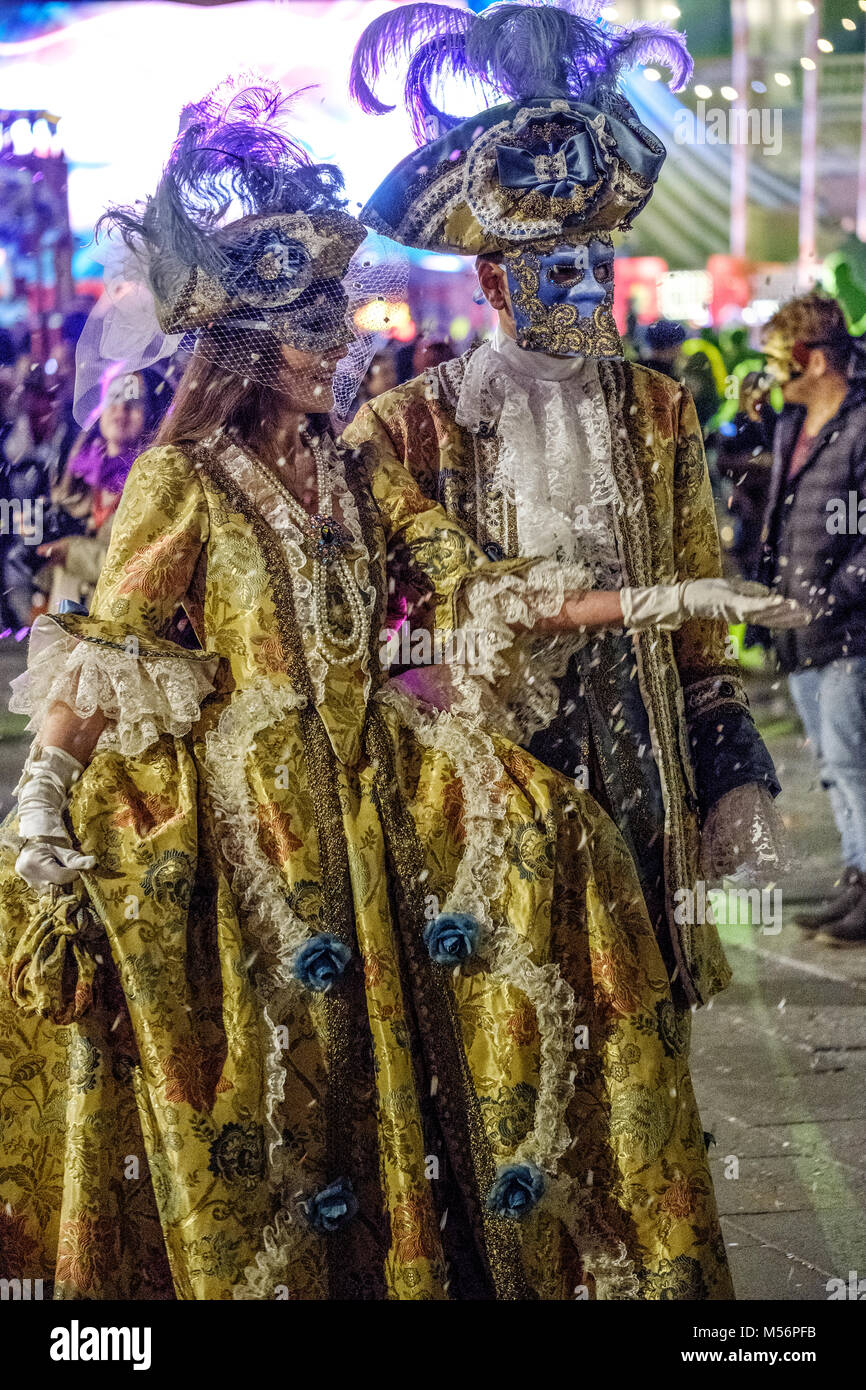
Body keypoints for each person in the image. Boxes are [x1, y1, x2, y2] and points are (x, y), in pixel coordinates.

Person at [0, 80, 801, 1303]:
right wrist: (44, 795)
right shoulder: (195, 473)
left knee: (548, 867)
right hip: (245, 816)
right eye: (316, 336)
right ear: (249, 349)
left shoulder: (368, 459)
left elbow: (473, 583)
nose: (343, 349)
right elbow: (109, 646)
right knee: (277, 1082)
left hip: (376, 790)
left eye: (343, 329)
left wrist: (666, 605)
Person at [345, 0, 788, 1012]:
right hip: (482, 784)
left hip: (635, 777)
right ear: (495, 284)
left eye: (599, 265)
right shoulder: (408, 425)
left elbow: (696, 621)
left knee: (633, 1033)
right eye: (559, 269)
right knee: (503, 1030)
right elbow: (373, 621)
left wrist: (729, 771)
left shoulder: (655, 408)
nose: (586, 291)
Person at [752, 293, 866, 945]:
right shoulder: (793, 425)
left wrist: (830, 596)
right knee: (831, 764)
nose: (768, 374)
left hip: (848, 627)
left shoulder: (861, 423)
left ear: (814, 360)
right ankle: (857, 878)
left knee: (854, 764)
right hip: (797, 627)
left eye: (777, 360)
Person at [34, 367, 168, 612]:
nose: (121, 408)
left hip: (117, 626)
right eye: (114, 397)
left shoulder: (158, 482)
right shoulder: (80, 470)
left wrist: (72, 553)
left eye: (134, 401)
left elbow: (142, 563)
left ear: (154, 412)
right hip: (65, 619)